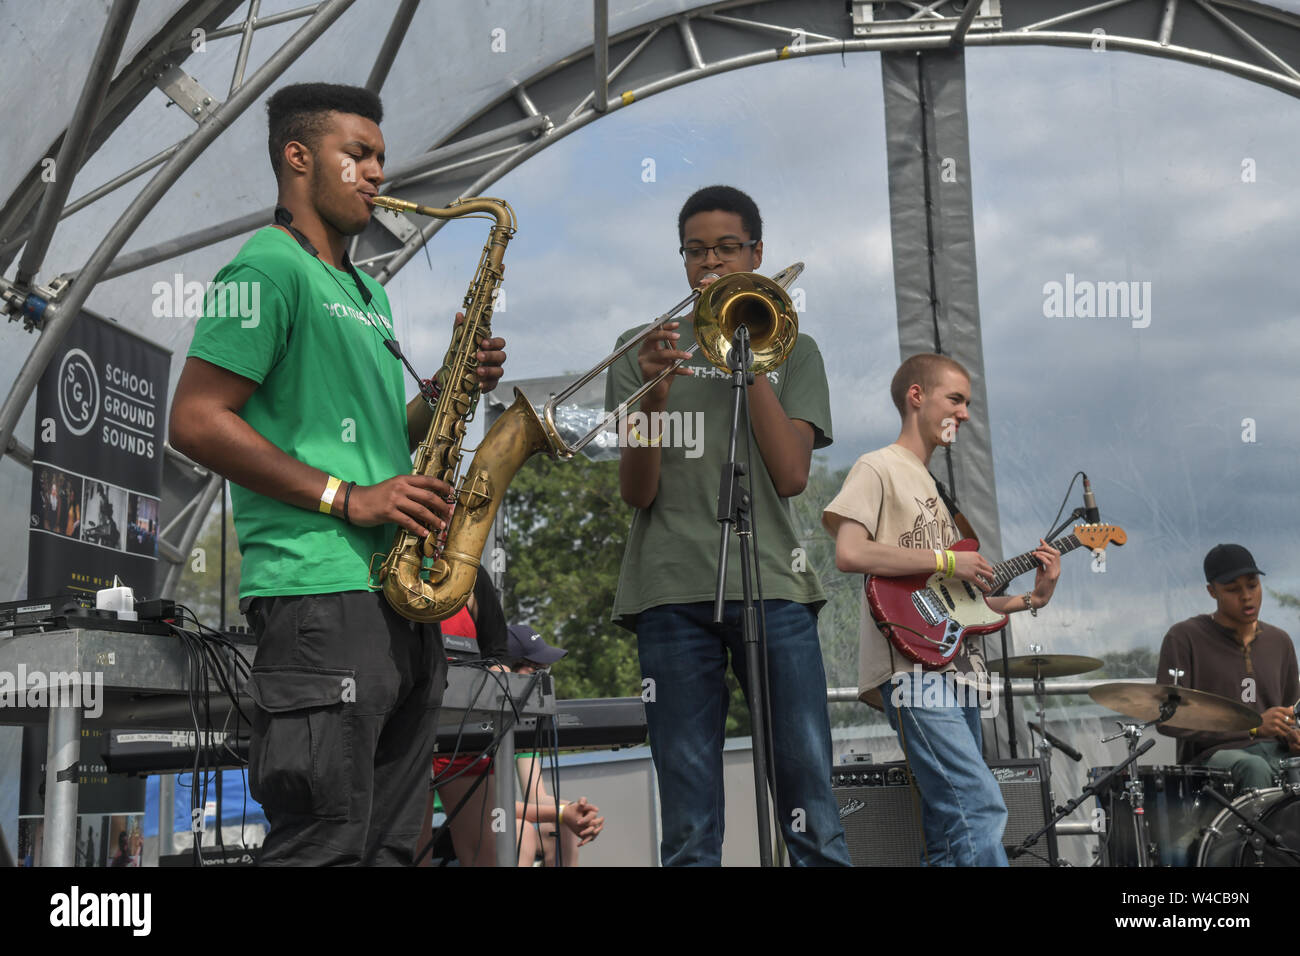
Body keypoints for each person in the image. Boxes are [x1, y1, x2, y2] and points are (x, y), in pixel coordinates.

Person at [169, 82, 508, 866]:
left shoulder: (366, 294)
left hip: (397, 595)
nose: (375, 173)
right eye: (355, 155)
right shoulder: (265, 269)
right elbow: (195, 420)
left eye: (380, 158)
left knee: (392, 848)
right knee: (323, 846)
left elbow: (386, 438)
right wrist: (346, 496)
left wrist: (451, 386)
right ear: (297, 157)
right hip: (318, 596)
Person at [605, 185, 849, 866]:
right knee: (688, 819)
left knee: (810, 798)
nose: (708, 263)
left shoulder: (796, 347)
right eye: (695, 251)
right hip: (668, 590)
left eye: (725, 249)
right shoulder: (641, 348)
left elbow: (791, 474)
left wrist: (754, 357)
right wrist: (652, 395)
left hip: (773, 584)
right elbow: (637, 490)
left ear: (756, 254)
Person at [822, 353, 1061, 866]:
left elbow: (960, 604)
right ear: (916, 396)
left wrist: (1030, 600)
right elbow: (850, 552)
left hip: (960, 670)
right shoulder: (878, 466)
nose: (966, 414)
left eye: (968, 403)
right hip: (912, 672)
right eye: (956, 399)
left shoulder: (936, 489)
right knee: (977, 806)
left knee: (949, 829)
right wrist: (948, 557)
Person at [1156, 543, 1300, 791]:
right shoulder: (1184, 637)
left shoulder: (1280, 641)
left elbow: (1292, 711)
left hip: (1275, 752)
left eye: (1253, 585)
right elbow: (1168, 718)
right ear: (1212, 592)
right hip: (1212, 757)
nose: (1246, 596)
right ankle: (1254, 832)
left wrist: (1293, 734)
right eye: (1233, 589)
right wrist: (1252, 727)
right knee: (1253, 768)